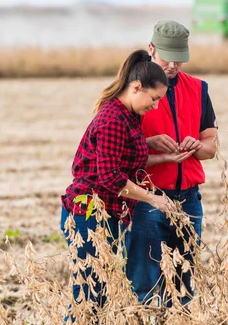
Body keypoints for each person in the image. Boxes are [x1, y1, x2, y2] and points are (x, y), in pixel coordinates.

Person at [60, 49, 174, 321]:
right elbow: (111, 176)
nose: (155, 106)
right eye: (154, 98)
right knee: (87, 296)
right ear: (136, 87)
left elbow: (122, 156)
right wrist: (151, 198)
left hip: (105, 214)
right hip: (87, 215)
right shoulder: (112, 118)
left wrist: (154, 149)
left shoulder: (130, 115)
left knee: (98, 295)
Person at [126, 20, 218, 306]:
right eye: (168, 58)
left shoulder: (199, 89)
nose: (174, 66)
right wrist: (152, 146)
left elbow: (211, 148)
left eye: (180, 59)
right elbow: (121, 154)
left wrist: (196, 147)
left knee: (183, 283)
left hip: (189, 198)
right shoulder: (134, 89)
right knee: (142, 282)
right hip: (147, 198)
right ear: (151, 49)